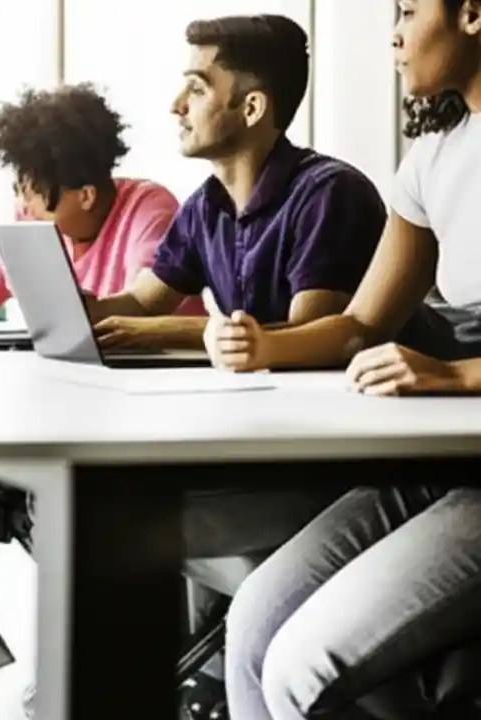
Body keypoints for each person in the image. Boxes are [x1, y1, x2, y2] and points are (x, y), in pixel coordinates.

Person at [203, 1, 481, 717]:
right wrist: (261, 345)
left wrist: (454, 374)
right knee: (254, 627)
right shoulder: (436, 154)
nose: (394, 33)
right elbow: (360, 322)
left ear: (473, 14)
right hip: (446, 463)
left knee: (299, 668)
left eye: (412, 11)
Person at [82, 15, 389, 354]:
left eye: (197, 89)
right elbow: (142, 302)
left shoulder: (331, 194)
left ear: (251, 107)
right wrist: (80, 311)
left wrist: (162, 330)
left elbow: (305, 336)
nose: (177, 105)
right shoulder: (204, 206)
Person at [0, 84, 189, 325]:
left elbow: (144, 301)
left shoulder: (148, 208)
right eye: (19, 188)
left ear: (86, 196)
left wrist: (85, 311)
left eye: (34, 192)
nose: (23, 204)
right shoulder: (33, 219)